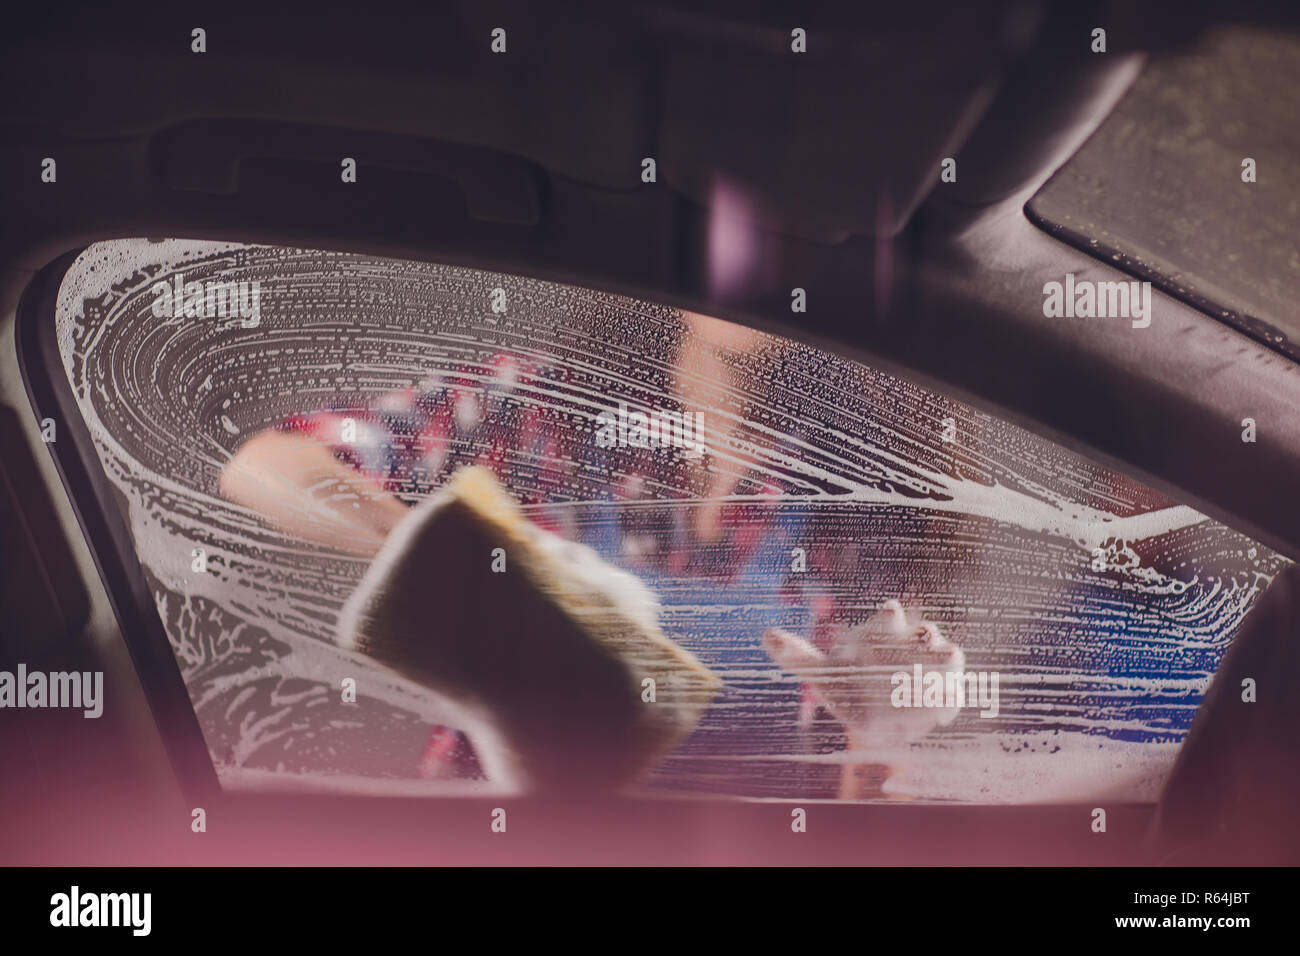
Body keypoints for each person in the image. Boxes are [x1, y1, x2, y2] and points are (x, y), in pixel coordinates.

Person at [219, 309, 959, 795]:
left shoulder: (871, 490)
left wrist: (892, 730)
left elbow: (863, 778)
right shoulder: (547, 408)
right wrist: (451, 554)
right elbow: (270, 463)